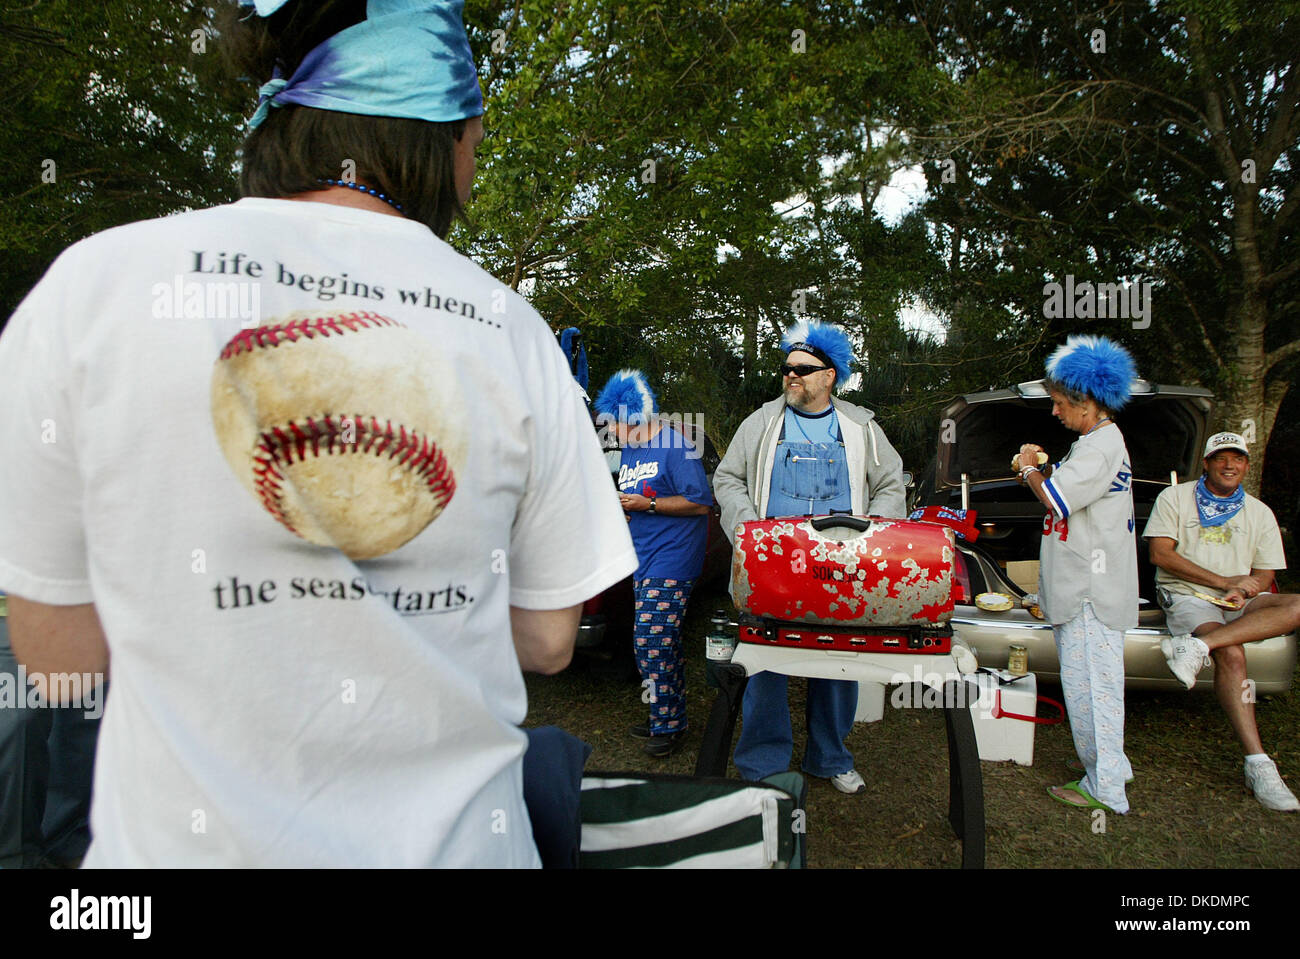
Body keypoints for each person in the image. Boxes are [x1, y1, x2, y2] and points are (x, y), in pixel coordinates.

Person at [0, 0, 637, 866]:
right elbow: (548, 639)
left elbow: (60, 654)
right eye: (476, 146)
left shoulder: (93, 287)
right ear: (444, 138)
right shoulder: (510, 326)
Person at [714, 320, 906, 793]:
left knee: (840, 664)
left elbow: (890, 484)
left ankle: (830, 757)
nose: (791, 376)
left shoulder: (861, 427)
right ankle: (764, 766)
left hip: (841, 567)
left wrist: (868, 540)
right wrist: (749, 535)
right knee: (765, 663)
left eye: (803, 369)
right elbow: (727, 479)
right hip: (773, 566)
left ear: (830, 376)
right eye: (787, 368)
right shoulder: (761, 423)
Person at [1144, 431, 1300, 812]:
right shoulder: (1175, 498)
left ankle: (1197, 647)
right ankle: (1259, 764)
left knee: (1296, 604)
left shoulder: (1259, 512)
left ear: (1246, 466)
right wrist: (1222, 582)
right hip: (1187, 595)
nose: (1229, 465)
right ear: (1207, 463)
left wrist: (1244, 591)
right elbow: (1161, 555)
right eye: (1221, 458)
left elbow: (1264, 573)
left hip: (1236, 601)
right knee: (1232, 654)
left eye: (1237, 459)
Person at [1016, 334, 1138, 815]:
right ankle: (1114, 766)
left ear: (1086, 402)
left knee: (1091, 688)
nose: (1055, 411)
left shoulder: (1099, 446)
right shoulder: (1095, 443)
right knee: (1098, 684)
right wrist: (1046, 464)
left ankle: (1105, 787)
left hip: (1092, 589)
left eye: (1060, 403)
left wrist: (1029, 470)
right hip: (1091, 585)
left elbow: (1056, 500)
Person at [594, 370, 713, 758]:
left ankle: (668, 725)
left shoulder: (675, 447)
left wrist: (649, 505)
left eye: (616, 423)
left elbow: (700, 503)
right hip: (643, 553)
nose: (612, 431)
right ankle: (667, 715)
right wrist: (629, 510)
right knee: (656, 641)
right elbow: (637, 496)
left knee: (651, 639)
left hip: (674, 556)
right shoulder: (631, 451)